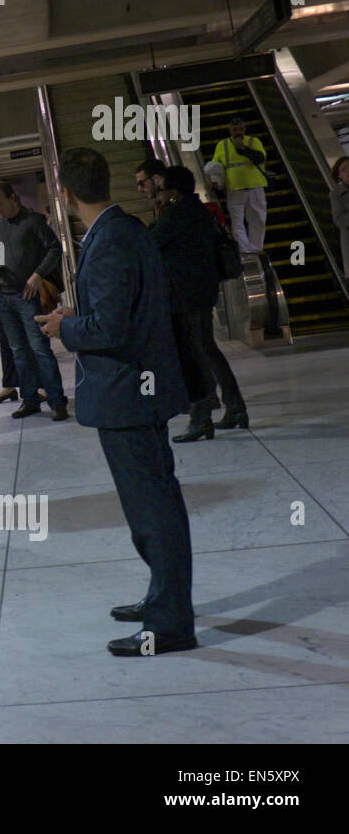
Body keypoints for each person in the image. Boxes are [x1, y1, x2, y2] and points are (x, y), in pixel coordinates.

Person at [36, 148, 196, 657]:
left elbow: (109, 327)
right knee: (157, 500)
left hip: (127, 393)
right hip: (141, 389)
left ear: (65, 195)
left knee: (152, 509)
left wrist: (65, 326)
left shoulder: (106, 243)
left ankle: (170, 622)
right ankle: (162, 598)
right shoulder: (128, 229)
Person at [152, 166, 249, 439]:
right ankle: (235, 407)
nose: (160, 194)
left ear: (173, 191)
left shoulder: (175, 216)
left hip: (185, 297)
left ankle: (201, 418)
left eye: (162, 190)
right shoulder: (201, 212)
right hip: (204, 292)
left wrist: (160, 213)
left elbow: (151, 242)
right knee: (207, 350)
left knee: (194, 356)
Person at [0, 181, 69, 421]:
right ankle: (30, 400)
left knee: (40, 349)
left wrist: (37, 275)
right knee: (18, 351)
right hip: (3, 296)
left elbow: (54, 249)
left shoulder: (33, 222)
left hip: (27, 296)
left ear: (13, 197)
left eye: (0, 204)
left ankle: (56, 401)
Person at [208, 116, 268, 253]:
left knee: (258, 219)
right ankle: (244, 250)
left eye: (240, 128)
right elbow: (216, 167)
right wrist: (214, 181)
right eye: (234, 129)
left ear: (245, 129)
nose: (237, 131)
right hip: (234, 189)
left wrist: (243, 148)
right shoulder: (222, 145)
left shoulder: (253, 141)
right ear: (230, 130)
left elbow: (260, 158)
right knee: (237, 222)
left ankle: (256, 249)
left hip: (254, 186)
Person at [332, 155, 349, 278]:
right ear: (339, 175)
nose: (348, 171)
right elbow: (339, 220)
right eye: (344, 169)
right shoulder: (336, 194)